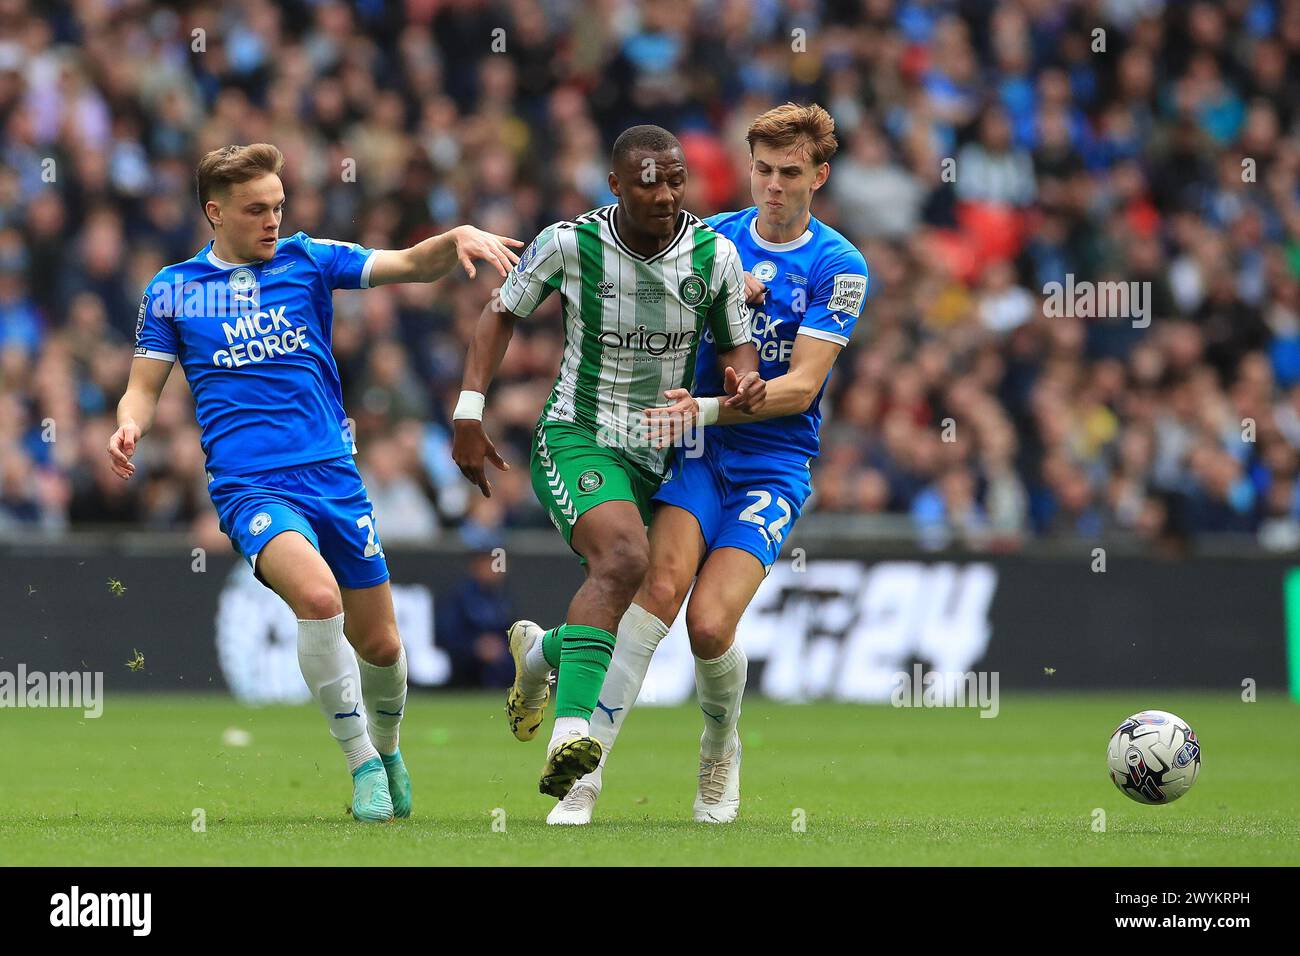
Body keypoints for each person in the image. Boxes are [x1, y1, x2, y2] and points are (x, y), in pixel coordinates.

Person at [108, 143, 521, 822]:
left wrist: (458, 236)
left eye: (278, 206)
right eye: (255, 210)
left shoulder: (308, 259)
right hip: (251, 488)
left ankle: (388, 750)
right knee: (317, 596)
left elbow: (411, 265)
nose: (272, 220)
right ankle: (361, 762)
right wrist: (129, 427)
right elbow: (141, 388)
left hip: (333, 477)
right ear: (215, 212)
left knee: (383, 646)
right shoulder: (173, 290)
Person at [544, 103, 870, 824]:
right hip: (691, 450)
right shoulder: (712, 238)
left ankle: (720, 749)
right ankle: (583, 776)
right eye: (762, 169)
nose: (773, 186)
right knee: (656, 589)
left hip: (771, 464)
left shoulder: (839, 265)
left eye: (790, 173)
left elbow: (802, 388)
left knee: (710, 627)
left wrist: (709, 405)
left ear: (819, 176)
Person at [451, 125, 766, 800]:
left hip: (667, 452)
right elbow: (499, 311)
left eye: (676, 180)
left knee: (641, 606)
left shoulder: (714, 256)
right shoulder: (570, 243)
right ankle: (571, 744)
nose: (666, 194)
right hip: (578, 436)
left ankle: (540, 654)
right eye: (649, 182)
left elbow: (739, 350)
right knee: (623, 560)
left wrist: (741, 385)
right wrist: (468, 410)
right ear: (616, 185)